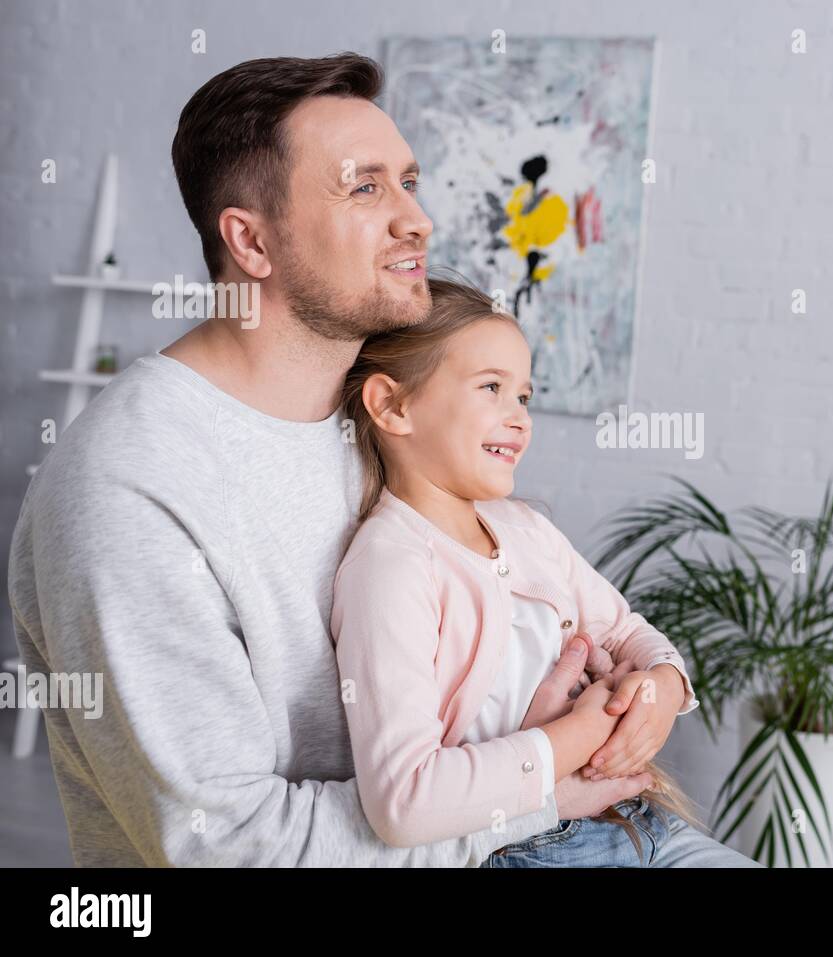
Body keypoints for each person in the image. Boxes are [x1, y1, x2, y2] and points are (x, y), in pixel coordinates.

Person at [5, 53, 650, 867]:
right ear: (251, 241)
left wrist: (644, 691)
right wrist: (537, 785)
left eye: (409, 181)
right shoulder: (128, 487)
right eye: (364, 187)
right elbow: (235, 848)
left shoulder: (383, 414)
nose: (416, 219)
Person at [331, 275, 762, 867]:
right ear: (393, 405)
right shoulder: (392, 568)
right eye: (491, 388)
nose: (520, 418)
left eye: (525, 397)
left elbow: (627, 631)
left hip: (642, 823)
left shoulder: (525, 530)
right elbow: (404, 800)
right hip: (529, 850)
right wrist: (582, 734)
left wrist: (662, 687)